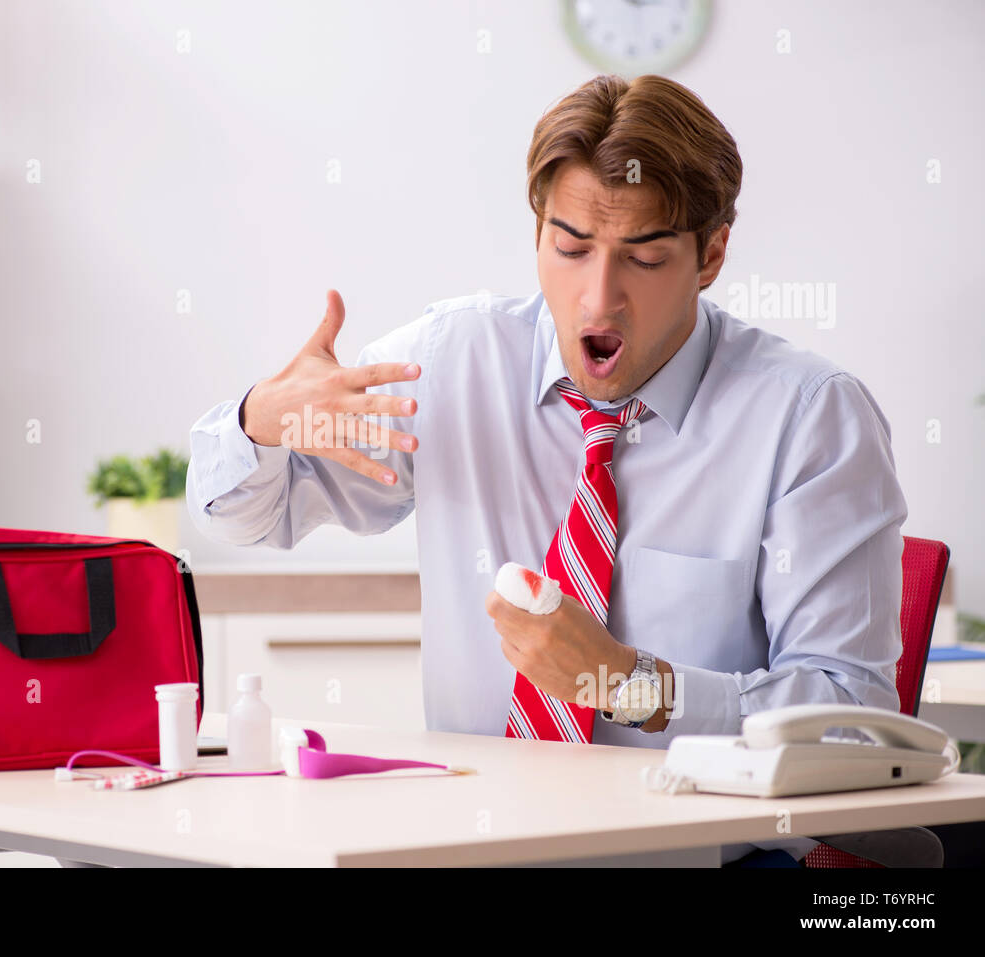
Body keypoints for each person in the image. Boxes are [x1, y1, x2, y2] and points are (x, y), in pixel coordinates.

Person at [185, 74, 907, 866]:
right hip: (472, 848)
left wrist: (633, 684)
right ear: (537, 233)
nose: (599, 298)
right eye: (570, 248)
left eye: (645, 256)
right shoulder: (448, 362)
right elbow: (241, 516)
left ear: (712, 255)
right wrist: (258, 421)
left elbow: (855, 716)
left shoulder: (809, 418)